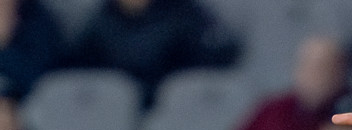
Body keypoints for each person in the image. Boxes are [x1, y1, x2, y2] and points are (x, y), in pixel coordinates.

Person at [64, 0, 234, 104]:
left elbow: (212, 63)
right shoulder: (101, 21)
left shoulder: (186, 17)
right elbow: (76, 68)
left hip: (169, 119)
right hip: (110, 122)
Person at [230, 35, 352, 130]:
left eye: (326, 67)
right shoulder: (272, 109)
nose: (317, 75)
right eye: (309, 66)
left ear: (341, 73)